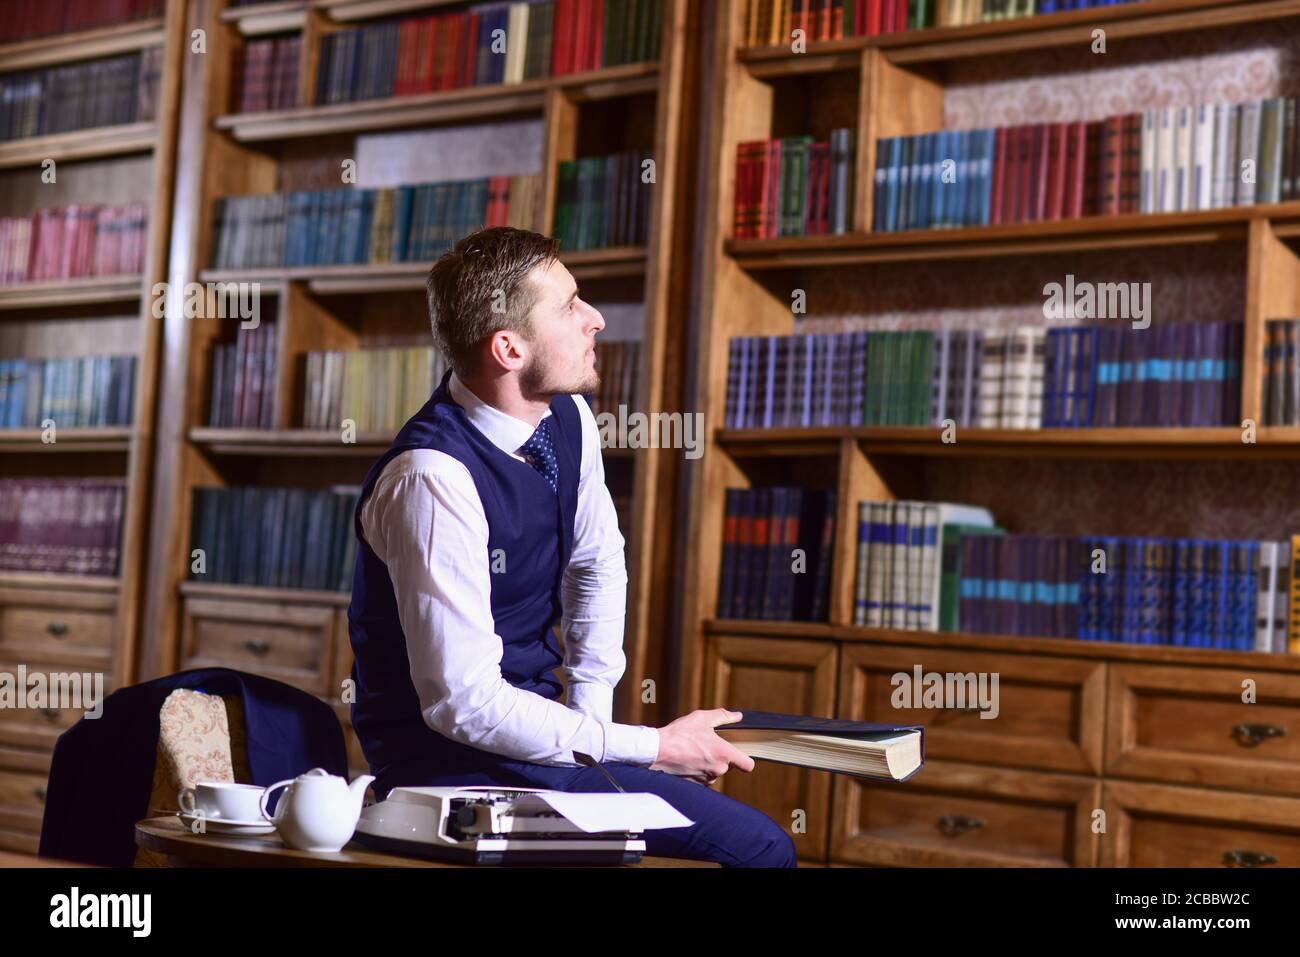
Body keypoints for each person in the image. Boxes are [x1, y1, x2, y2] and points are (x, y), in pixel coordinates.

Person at [346, 226, 797, 867]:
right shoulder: (431, 477)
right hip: (451, 765)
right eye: (568, 306)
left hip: (537, 740)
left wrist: (594, 737)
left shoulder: (566, 417)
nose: (596, 319)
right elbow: (464, 706)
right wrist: (651, 748)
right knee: (762, 849)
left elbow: (596, 565)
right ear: (508, 348)